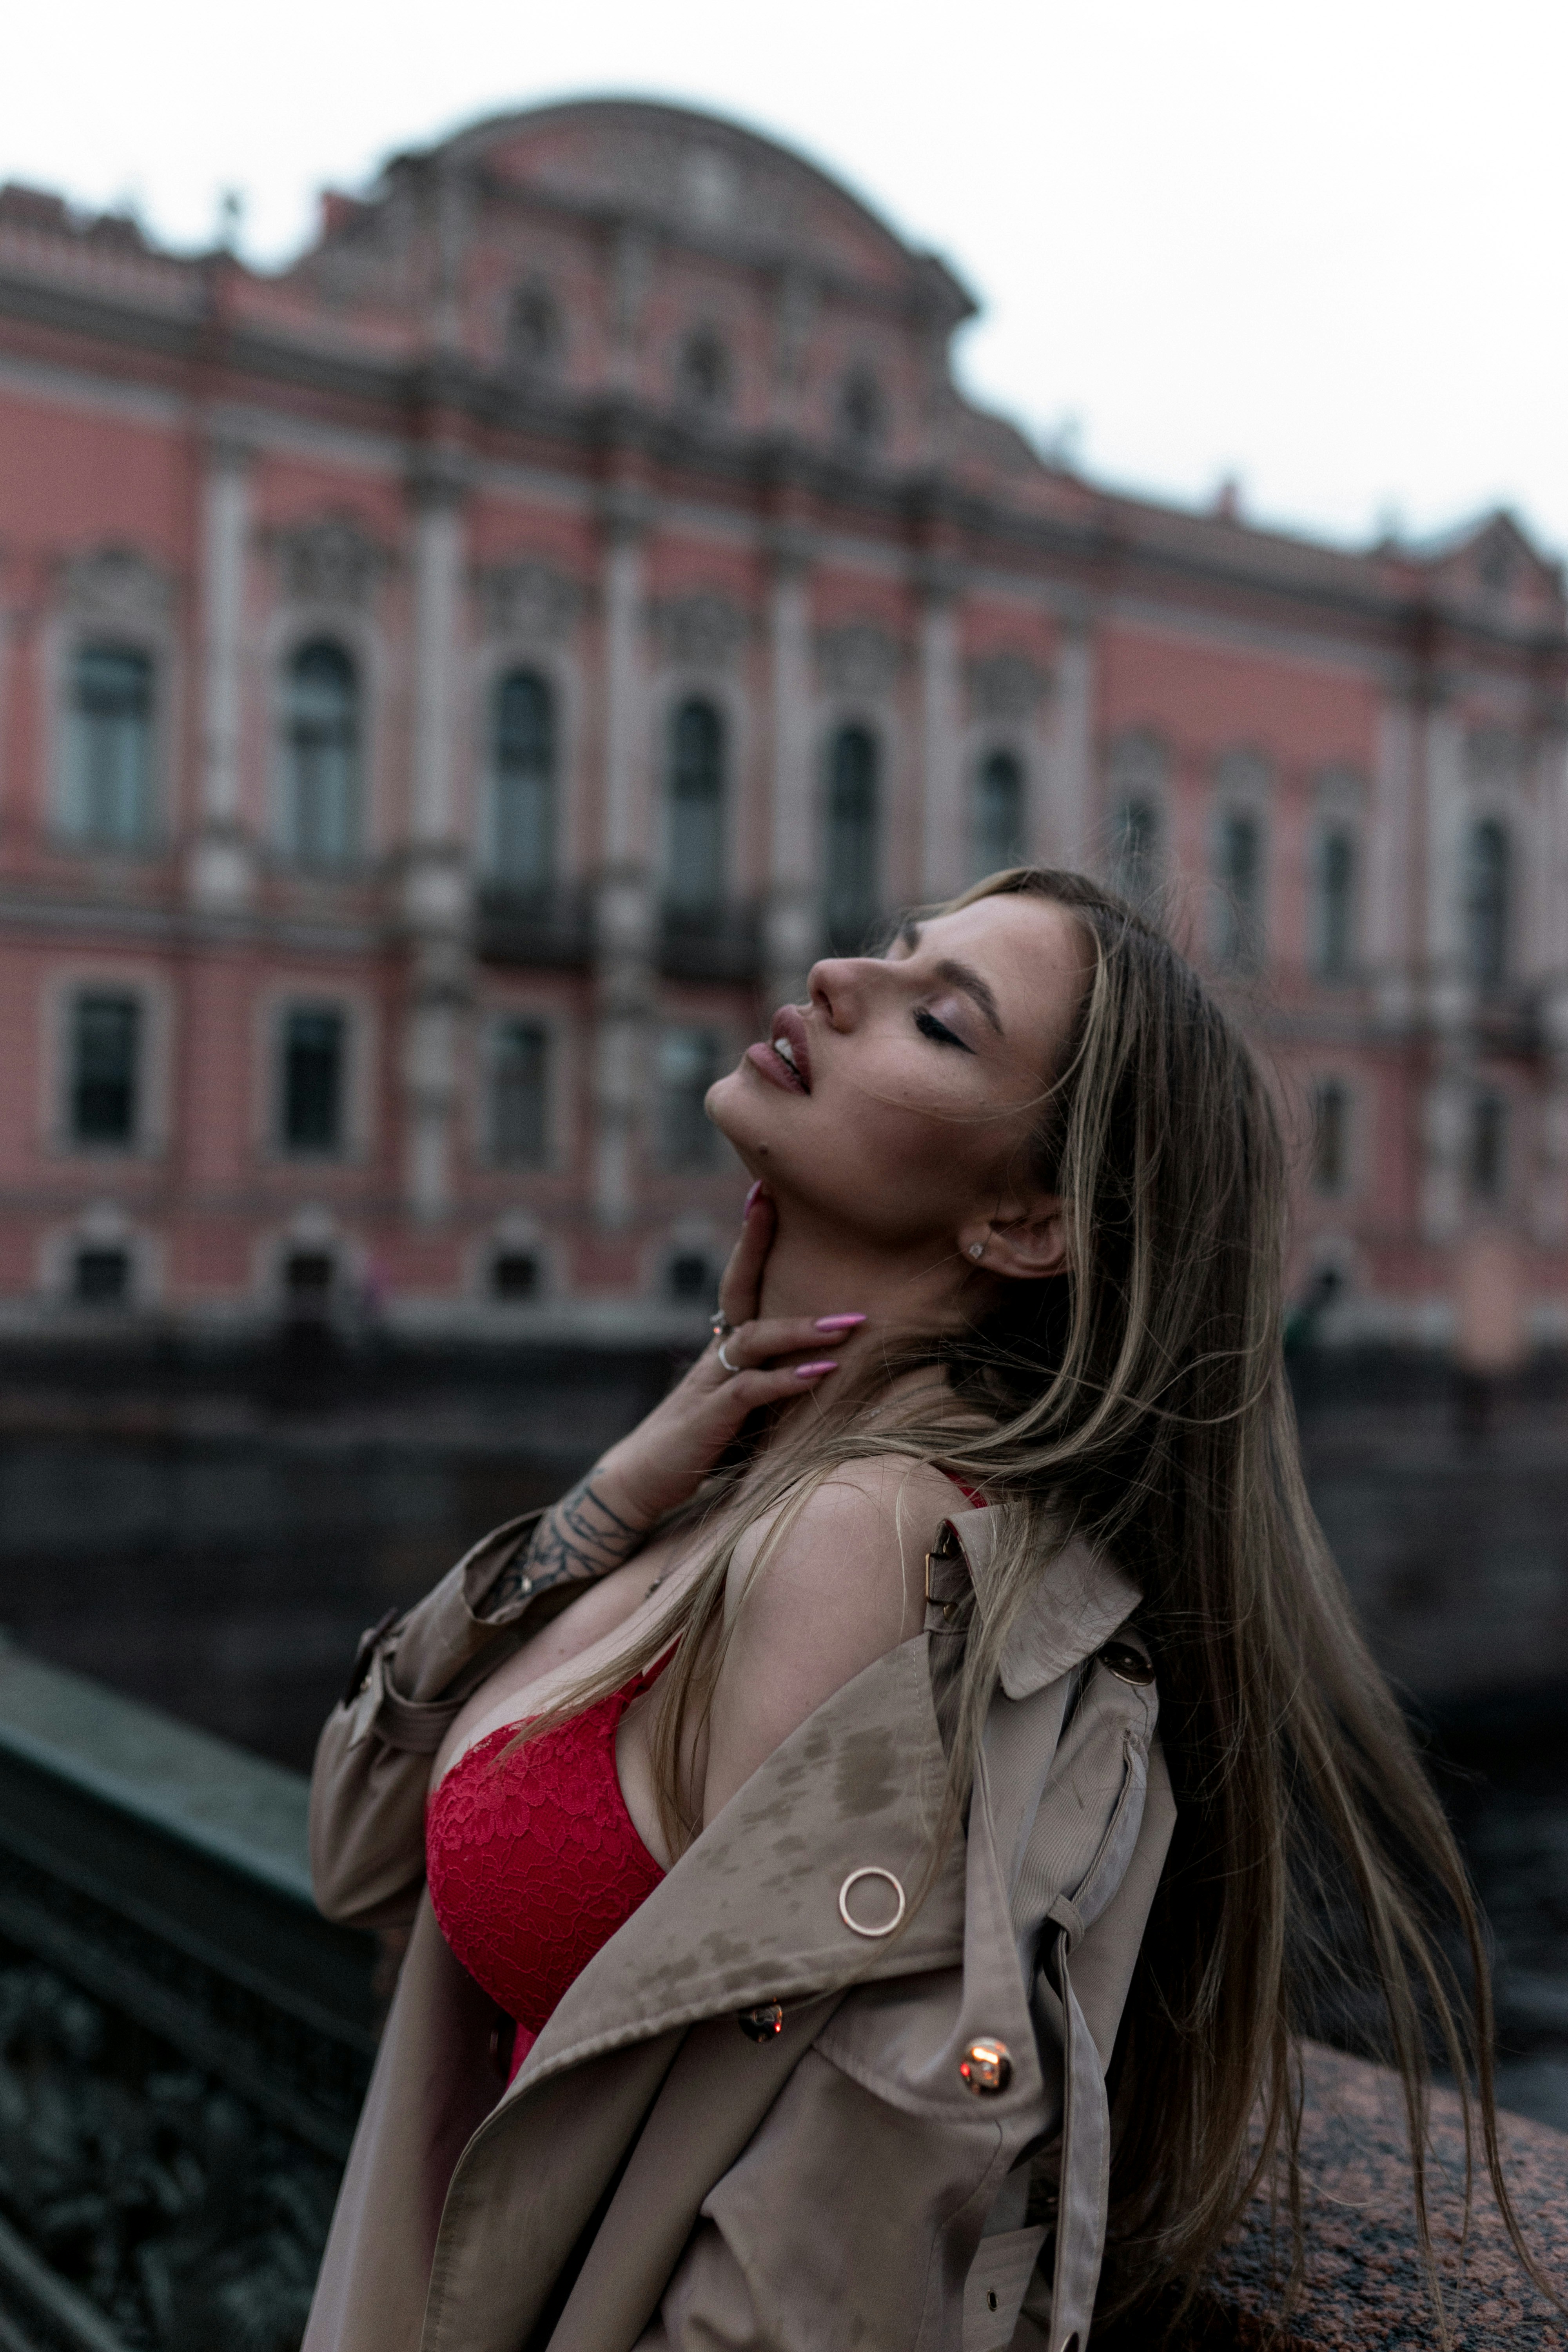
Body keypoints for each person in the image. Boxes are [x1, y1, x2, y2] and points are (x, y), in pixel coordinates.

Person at [304, 868, 1541, 2352]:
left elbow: (808, 2271)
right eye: (890, 952)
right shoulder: (750, 1482)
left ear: (1028, 1224)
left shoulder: (871, 1545)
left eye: (938, 1022)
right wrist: (611, 1501)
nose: (834, 976)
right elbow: (361, 1848)